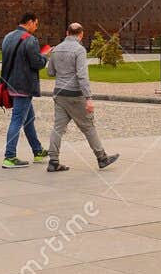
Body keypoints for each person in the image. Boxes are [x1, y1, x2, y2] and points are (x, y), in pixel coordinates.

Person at [45, 22, 118, 173]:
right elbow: (82, 76)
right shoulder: (79, 50)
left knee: (58, 128)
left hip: (59, 94)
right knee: (88, 126)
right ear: (81, 34)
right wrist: (89, 98)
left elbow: (50, 72)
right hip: (75, 95)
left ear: (66, 33)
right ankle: (101, 157)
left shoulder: (56, 49)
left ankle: (53, 160)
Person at [0, 12, 48, 169]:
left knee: (29, 120)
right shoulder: (30, 40)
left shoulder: (7, 37)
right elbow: (37, 63)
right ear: (30, 22)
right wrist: (45, 56)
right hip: (24, 85)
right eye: (36, 24)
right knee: (17, 120)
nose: (36, 27)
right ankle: (10, 156)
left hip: (10, 83)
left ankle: (37, 151)